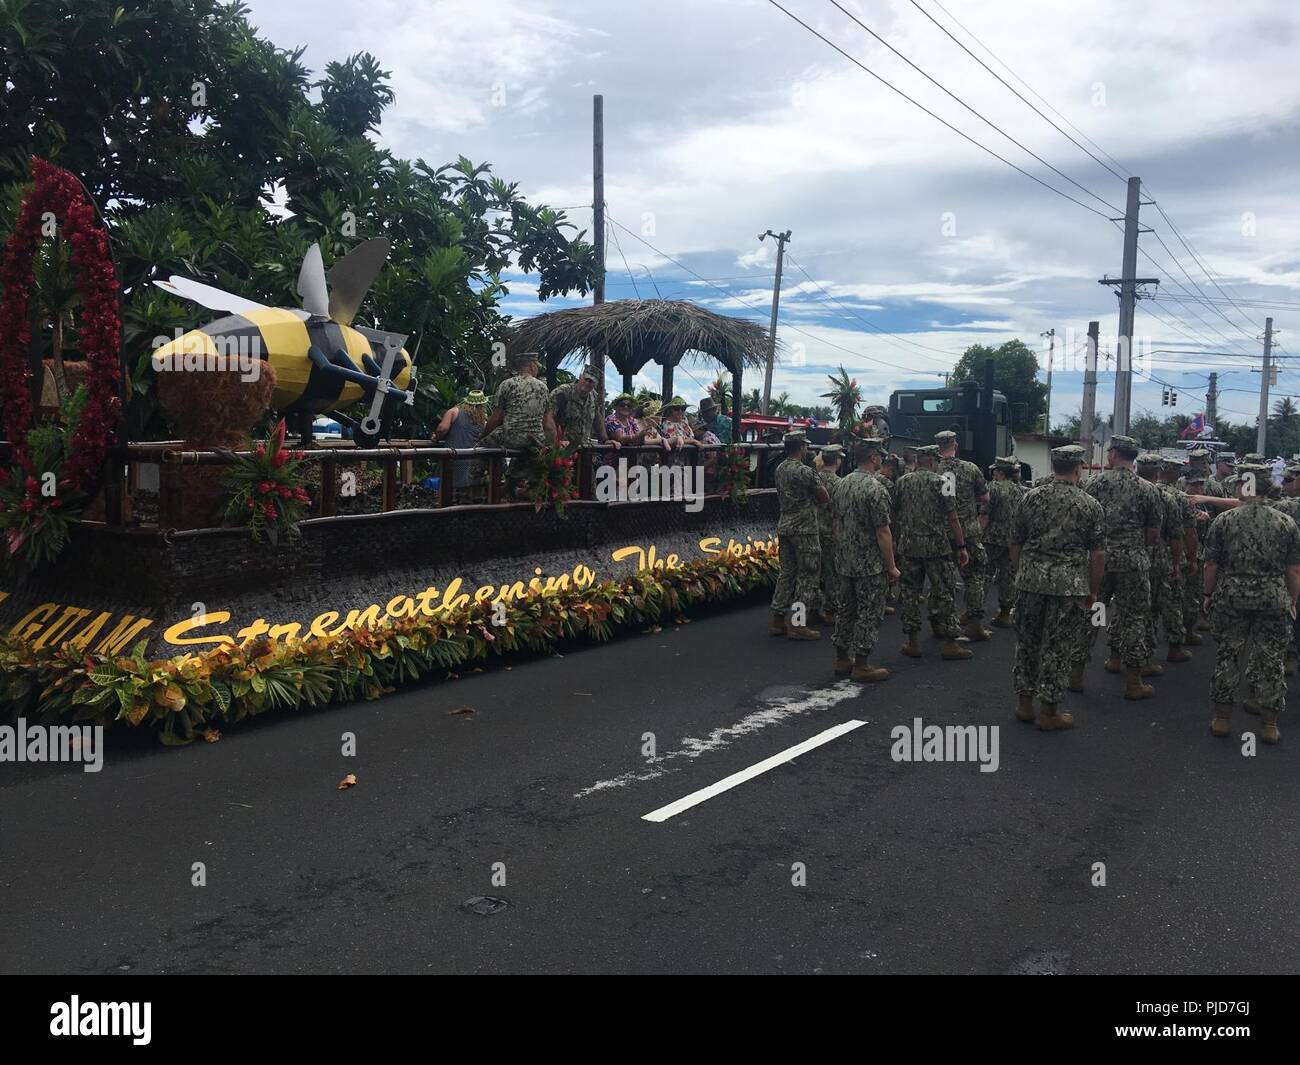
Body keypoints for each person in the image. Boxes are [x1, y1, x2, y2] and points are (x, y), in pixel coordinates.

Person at [1008, 444, 1105, 731]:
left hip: (1030, 581)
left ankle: (1024, 704)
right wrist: (1093, 589)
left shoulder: (1030, 498)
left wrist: (1021, 571)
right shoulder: (1090, 505)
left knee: (1027, 643)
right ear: (1078, 468)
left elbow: (1015, 542)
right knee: (1057, 647)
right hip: (1069, 586)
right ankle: (1049, 711)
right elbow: (1098, 555)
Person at [1203, 462, 1300, 743]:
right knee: (1270, 657)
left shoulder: (1225, 521)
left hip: (1231, 596)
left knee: (1228, 654)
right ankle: (1269, 725)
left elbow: (1211, 564)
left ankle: (1222, 719)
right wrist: (1292, 599)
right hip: (1272, 597)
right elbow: (1294, 569)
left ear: (1243, 485)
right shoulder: (1285, 522)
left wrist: (1207, 595)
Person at [1073, 434, 1162, 699]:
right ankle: (1133, 682)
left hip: (1098, 561)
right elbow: (1154, 533)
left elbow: (1082, 523)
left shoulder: (1093, 484)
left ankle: (1076, 674)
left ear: (1113, 455)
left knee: (1093, 612)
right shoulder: (1148, 489)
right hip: (1133, 562)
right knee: (1134, 617)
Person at [895, 444, 972, 661]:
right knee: (945, 592)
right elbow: (952, 517)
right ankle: (950, 642)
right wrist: (961, 546)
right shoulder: (944, 483)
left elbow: (894, 513)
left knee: (910, 594)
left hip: (909, 546)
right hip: (936, 547)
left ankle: (912, 642)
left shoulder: (902, 482)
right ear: (931, 461)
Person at [831, 440, 899, 682]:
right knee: (869, 612)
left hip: (845, 560)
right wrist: (891, 566)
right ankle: (861, 664)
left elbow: (836, 523)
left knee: (845, 610)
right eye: (879, 456)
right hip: (869, 563)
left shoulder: (842, 484)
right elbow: (883, 531)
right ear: (873, 458)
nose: (881, 459)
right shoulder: (876, 488)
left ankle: (841, 659)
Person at [769, 431, 830, 639]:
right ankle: (798, 623)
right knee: (808, 574)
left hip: (785, 525)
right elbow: (824, 497)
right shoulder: (805, 471)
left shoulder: (780, 468)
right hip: (804, 529)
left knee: (787, 573)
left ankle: (778, 619)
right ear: (801, 447)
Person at [934, 429, 992, 641]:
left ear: (937, 448)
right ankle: (974, 624)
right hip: (968, 530)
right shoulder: (970, 468)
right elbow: (985, 497)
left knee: (941, 580)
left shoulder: (933, 469)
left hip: (939, 533)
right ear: (955, 445)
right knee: (974, 576)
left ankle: (941, 624)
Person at [1135, 453, 1187, 675]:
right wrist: (1177, 563)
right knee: (1154, 608)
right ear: (1158, 472)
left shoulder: (1124, 491)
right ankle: (1147, 659)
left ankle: (1118, 656)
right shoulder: (1165, 497)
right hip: (1156, 560)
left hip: (1126, 558)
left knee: (1130, 611)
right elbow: (1176, 536)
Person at [480, 352, 556, 497]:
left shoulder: (506, 384)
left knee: (477, 451)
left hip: (511, 438)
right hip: (535, 441)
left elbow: (495, 419)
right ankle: (510, 487)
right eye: (537, 366)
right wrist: (551, 447)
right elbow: (548, 423)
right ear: (532, 366)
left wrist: (482, 437)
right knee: (527, 455)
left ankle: (475, 487)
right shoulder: (543, 387)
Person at [984, 456, 1022, 628]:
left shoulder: (993, 488)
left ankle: (974, 611)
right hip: (1012, 539)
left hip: (992, 538)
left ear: (999, 472)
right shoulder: (1019, 490)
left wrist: (977, 535)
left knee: (983, 574)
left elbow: (985, 515)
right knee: (1007, 576)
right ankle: (1005, 613)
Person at [433, 388, 488, 501]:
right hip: (473, 466)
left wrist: (436, 437)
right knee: (470, 499)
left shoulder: (454, 412)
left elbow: (442, 429)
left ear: (466, 401)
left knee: (447, 496)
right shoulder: (484, 422)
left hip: (452, 462)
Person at [550, 365, 602, 447]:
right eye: (586, 379)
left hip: (584, 447)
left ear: (595, 384)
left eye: (591, 381)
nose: (587, 383)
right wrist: (555, 441)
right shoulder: (563, 392)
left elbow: (597, 419)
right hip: (562, 448)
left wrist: (606, 439)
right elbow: (548, 417)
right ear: (580, 377)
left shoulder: (594, 397)